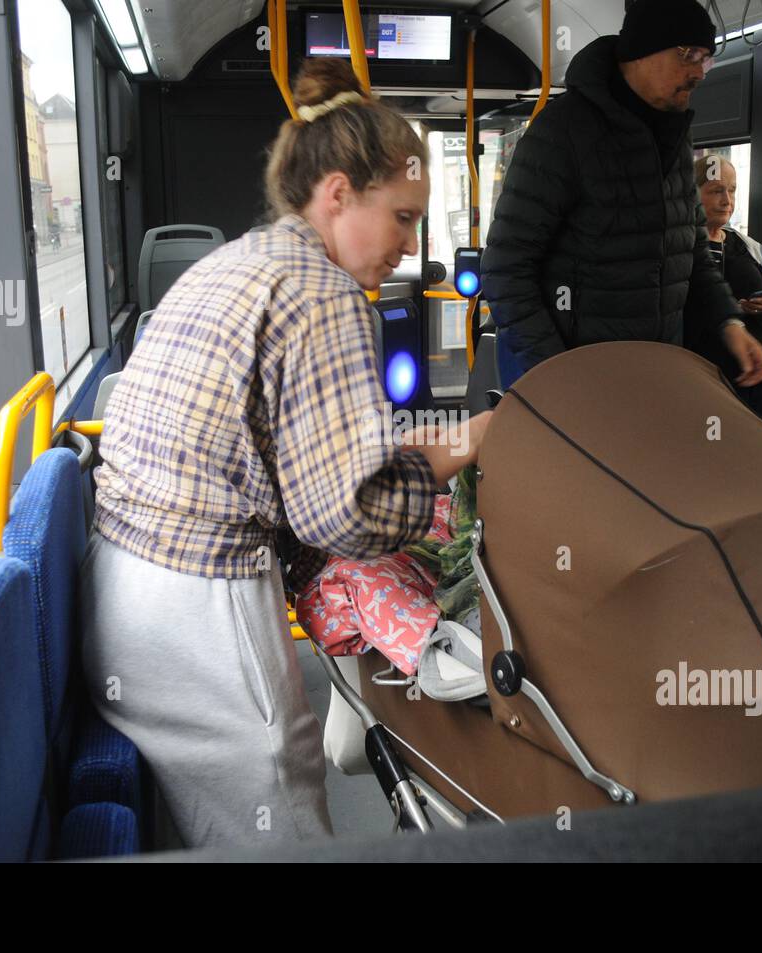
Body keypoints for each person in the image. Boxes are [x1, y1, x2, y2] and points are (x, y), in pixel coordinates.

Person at [81, 57, 492, 850]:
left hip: (123, 583)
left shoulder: (242, 261)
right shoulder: (324, 293)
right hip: (197, 603)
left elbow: (282, 446)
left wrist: (415, 452)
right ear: (337, 194)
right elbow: (341, 513)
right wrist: (467, 445)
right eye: (403, 217)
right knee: (282, 814)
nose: (411, 248)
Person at [481, 0, 762, 390]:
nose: (699, 72)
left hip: (652, 373)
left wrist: (727, 322)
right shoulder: (563, 132)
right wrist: (553, 371)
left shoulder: (675, 140)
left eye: (706, 58)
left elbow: (691, 254)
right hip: (572, 377)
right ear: (641, 51)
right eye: (688, 55)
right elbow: (506, 268)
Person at [692, 154, 762, 430]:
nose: (727, 200)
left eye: (732, 190)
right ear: (693, 193)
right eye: (716, 191)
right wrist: (731, 310)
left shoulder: (752, 249)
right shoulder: (678, 249)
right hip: (707, 378)